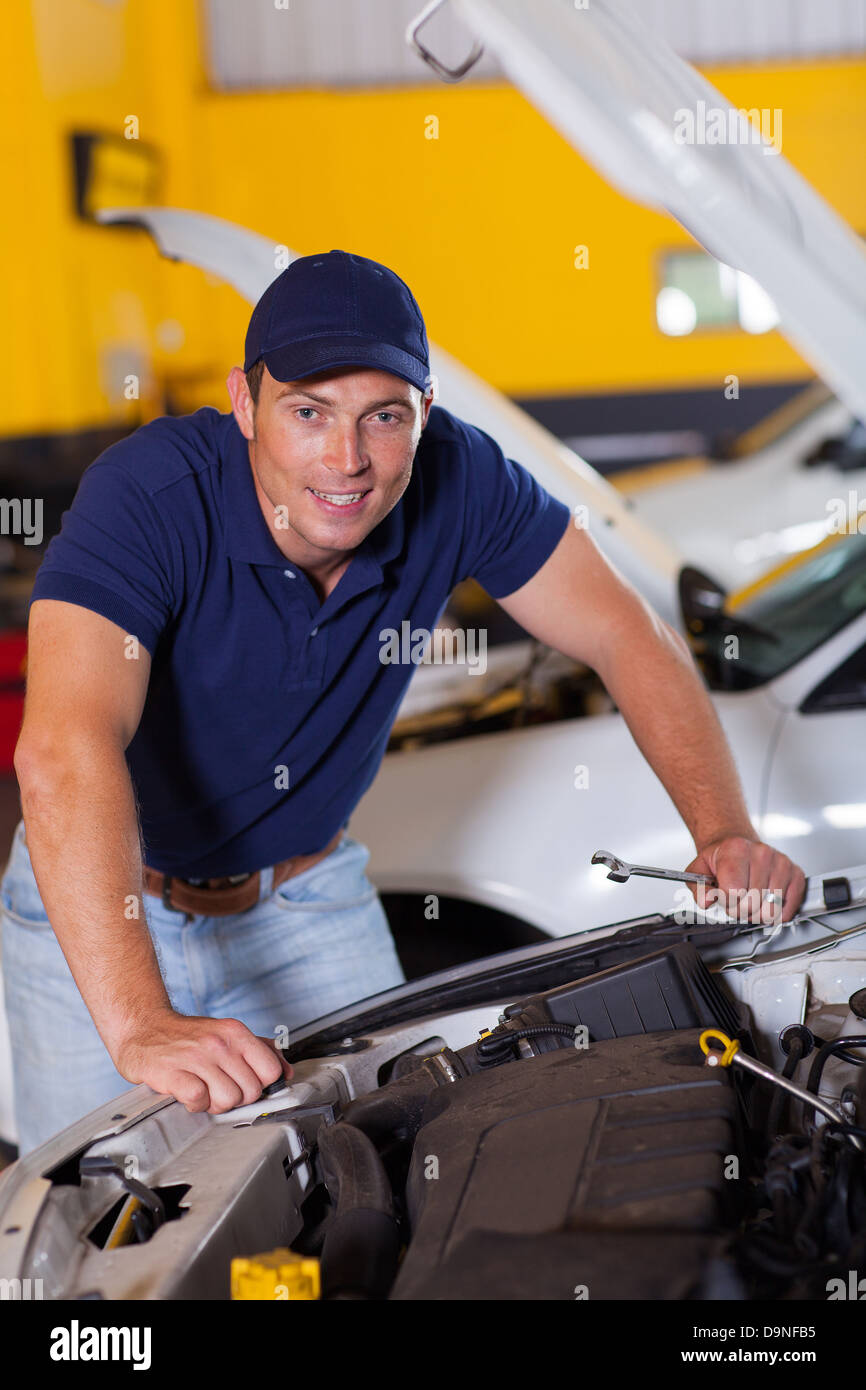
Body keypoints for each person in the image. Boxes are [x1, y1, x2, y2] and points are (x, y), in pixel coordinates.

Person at [2, 249, 805, 1153]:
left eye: (382, 417)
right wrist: (140, 1020)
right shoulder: (148, 496)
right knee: (82, 1219)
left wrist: (722, 830)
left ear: (424, 413)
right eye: (309, 412)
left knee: (393, 1166)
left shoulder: (463, 479)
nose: (347, 461)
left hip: (306, 904)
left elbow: (627, 635)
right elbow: (65, 750)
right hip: (103, 906)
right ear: (243, 401)